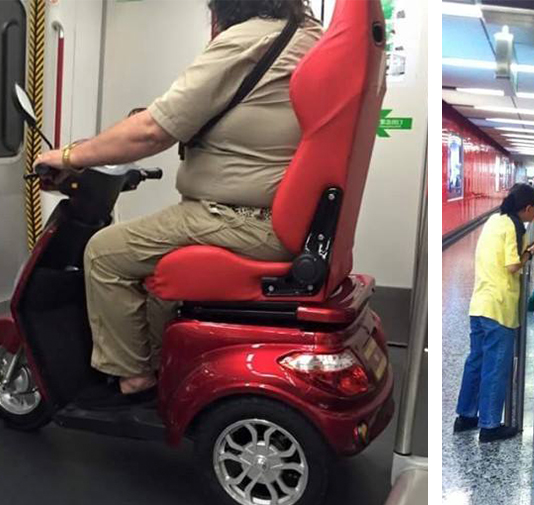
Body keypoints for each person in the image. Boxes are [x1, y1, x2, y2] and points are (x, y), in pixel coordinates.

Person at [34, 0, 322, 407]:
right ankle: (162, 364)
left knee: (104, 252)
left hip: (238, 217)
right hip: (281, 217)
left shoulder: (248, 40)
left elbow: (151, 131)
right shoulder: (307, 37)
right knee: (155, 272)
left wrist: (68, 156)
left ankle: (133, 378)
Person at [455, 184, 534, 442]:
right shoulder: (514, 226)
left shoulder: (494, 220)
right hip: (499, 307)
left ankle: (466, 416)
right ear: (527, 207)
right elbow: (513, 265)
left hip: (479, 303)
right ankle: (490, 426)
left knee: (476, 361)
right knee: (496, 367)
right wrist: (531, 251)